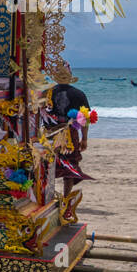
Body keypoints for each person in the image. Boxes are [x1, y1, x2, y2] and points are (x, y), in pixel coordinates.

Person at [45, 64, 93, 195]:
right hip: (70, 134)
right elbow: (85, 119)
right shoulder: (78, 94)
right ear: (70, 76)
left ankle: (47, 194)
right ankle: (66, 196)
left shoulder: (48, 93)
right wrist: (85, 138)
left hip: (49, 132)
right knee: (70, 166)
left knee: (48, 163)